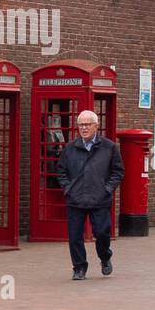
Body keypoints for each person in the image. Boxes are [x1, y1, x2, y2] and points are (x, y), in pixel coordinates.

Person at [55, 110, 124, 281]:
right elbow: (61, 171)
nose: (84, 128)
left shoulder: (109, 147)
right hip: (76, 199)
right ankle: (79, 267)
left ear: (96, 126)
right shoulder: (70, 148)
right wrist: (67, 189)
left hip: (99, 199)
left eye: (87, 124)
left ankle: (105, 257)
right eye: (81, 125)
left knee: (102, 233)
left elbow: (118, 171)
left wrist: (107, 189)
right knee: (75, 237)